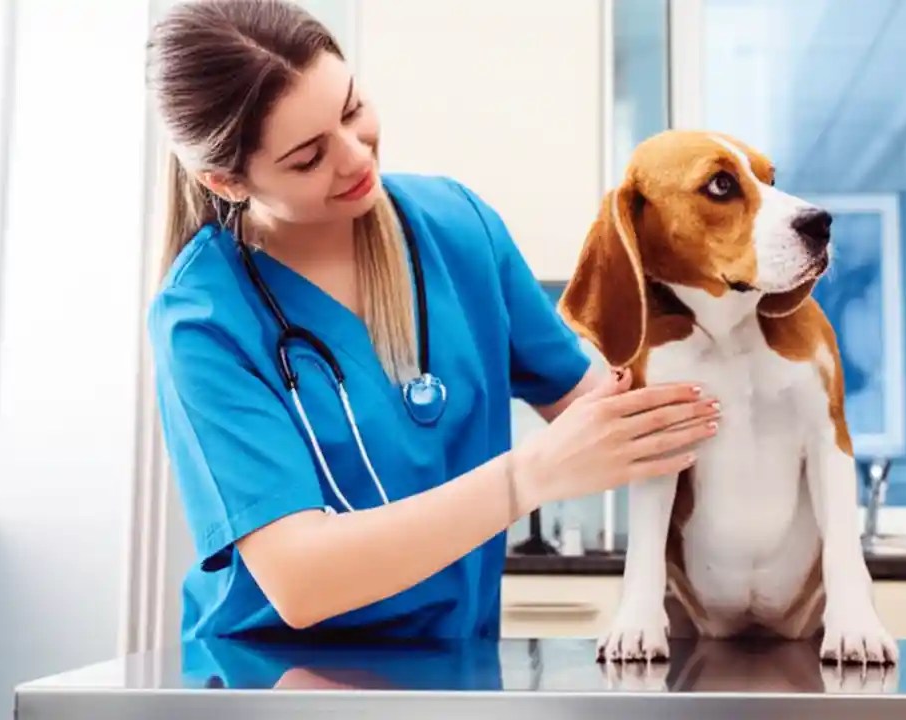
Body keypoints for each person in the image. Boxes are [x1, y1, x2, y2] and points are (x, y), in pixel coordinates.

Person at [144, 0, 722, 643]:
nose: (356, 158)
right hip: (278, 682)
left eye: (352, 109)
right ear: (226, 181)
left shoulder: (457, 228)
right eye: (308, 158)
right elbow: (299, 579)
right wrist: (534, 474)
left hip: (451, 669)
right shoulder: (204, 318)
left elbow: (609, 409)